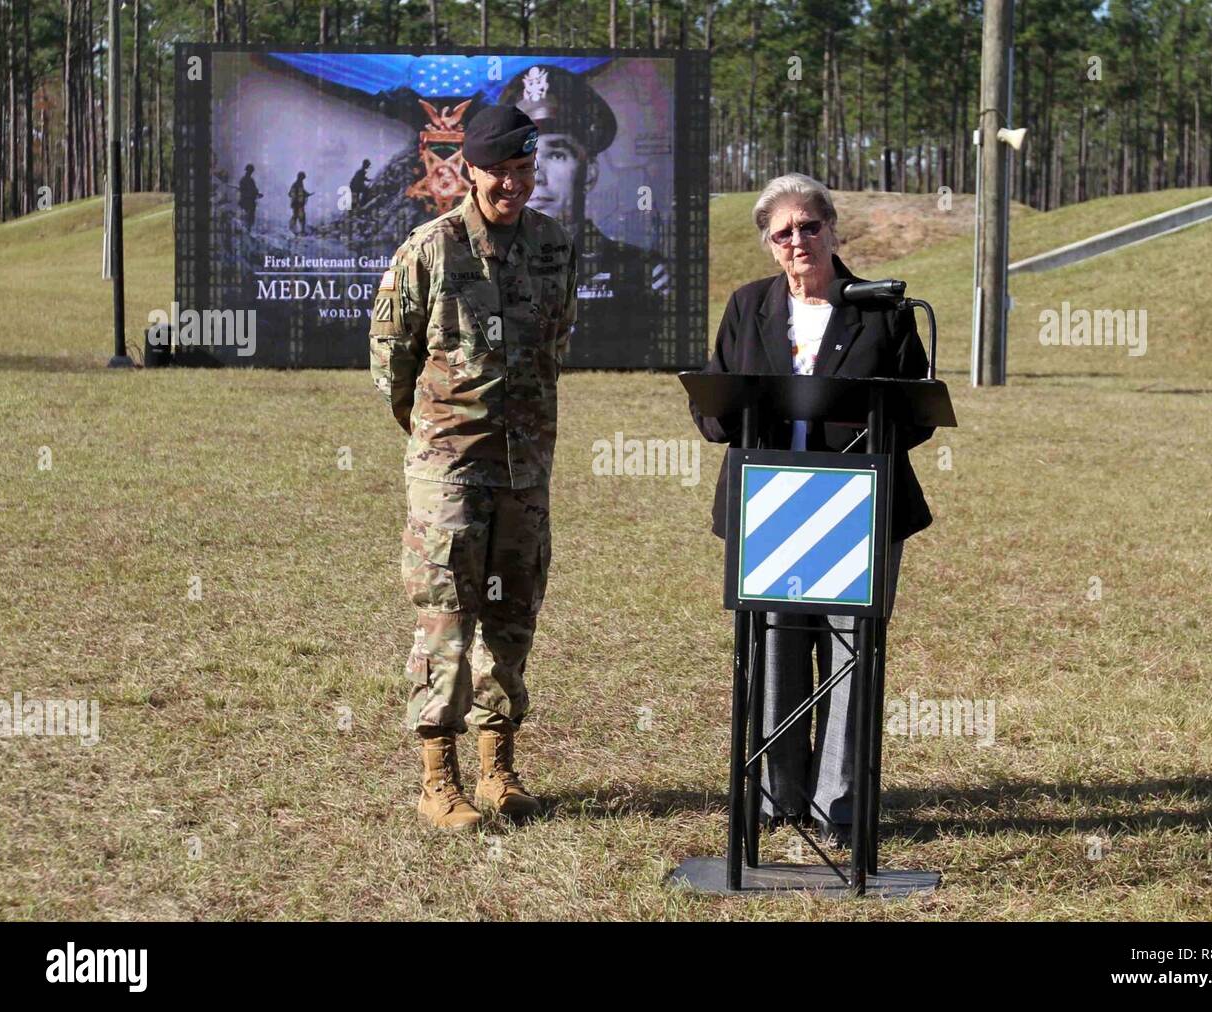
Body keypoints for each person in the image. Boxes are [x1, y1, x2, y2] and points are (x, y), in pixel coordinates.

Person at [688, 172, 935, 847]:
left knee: (852, 653)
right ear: (769, 245)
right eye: (783, 232)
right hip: (771, 504)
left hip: (862, 504)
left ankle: (840, 804)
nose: (799, 240)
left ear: (833, 229)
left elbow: (917, 414)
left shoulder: (884, 311)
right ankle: (777, 795)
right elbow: (716, 404)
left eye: (810, 226)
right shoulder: (747, 306)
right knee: (776, 646)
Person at [369, 104, 577, 831]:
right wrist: (436, 434)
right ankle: (437, 780)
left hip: (525, 469)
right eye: (499, 172)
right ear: (471, 172)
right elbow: (392, 361)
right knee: (448, 621)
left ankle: (497, 769)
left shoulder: (555, 246)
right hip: (451, 468)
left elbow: (555, 343)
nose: (513, 186)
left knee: (512, 621)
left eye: (524, 171)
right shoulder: (431, 247)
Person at [498, 64, 669, 365]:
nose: (538, 176)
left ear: (588, 173)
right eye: (526, 157)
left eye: (557, 154)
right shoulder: (479, 264)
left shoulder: (639, 272)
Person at [238, 164, 262, 232]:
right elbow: (243, 190)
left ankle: (247, 228)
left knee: (249, 216)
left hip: (248, 200)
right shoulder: (245, 180)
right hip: (247, 200)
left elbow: (254, 189)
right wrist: (254, 194)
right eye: (250, 171)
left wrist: (257, 194)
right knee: (249, 215)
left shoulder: (248, 180)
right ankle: (247, 228)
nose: (250, 172)